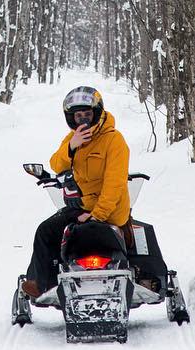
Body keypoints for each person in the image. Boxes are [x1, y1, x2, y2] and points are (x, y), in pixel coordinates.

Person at [20, 85, 130, 299]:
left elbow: (114, 184)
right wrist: (71, 146)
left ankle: (43, 284)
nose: (83, 120)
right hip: (84, 206)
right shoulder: (74, 138)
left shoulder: (114, 140)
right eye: (78, 116)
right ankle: (45, 284)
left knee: (51, 230)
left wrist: (97, 215)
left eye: (87, 114)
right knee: (46, 231)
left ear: (97, 113)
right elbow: (56, 164)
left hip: (110, 211)